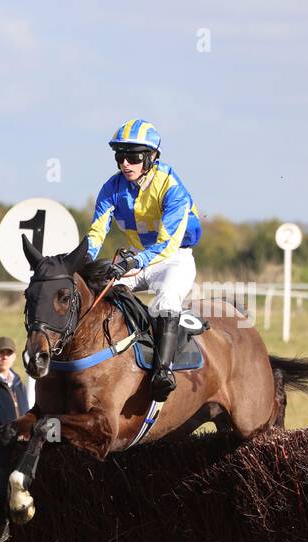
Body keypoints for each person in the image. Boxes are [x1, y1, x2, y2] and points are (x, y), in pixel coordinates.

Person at [86, 119, 202, 401]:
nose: (126, 163)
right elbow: (96, 232)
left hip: (174, 259)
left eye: (134, 156)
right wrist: (83, 263)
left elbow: (166, 244)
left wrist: (134, 263)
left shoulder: (172, 188)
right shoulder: (112, 188)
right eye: (120, 157)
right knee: (97, 290)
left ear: (151, 158)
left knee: (165, 301)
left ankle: (163, 372)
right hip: (138, 260)